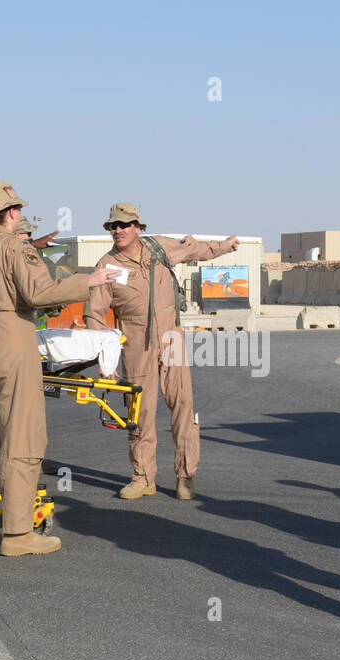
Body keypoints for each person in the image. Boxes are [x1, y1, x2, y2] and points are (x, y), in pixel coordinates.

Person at [0, 181, 112, 555]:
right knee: (21, 437)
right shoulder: (18, 248)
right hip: (10, 337)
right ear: (12, 212)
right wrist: (88, 281)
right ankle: (16, 534)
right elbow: (38, 295)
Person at [85, 203, 238, 500]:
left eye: (124, 224)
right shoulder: (108, 266)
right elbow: (94, 313)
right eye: (113, 226)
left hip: (171, 338)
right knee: (140, 412)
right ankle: (143, 478)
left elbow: (194, 249)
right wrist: (105, 357)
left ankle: (185, 476)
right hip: (134, 343)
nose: (118, 230)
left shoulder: (159, 248)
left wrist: (226, 246)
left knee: (183, 406)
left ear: (138, 227)